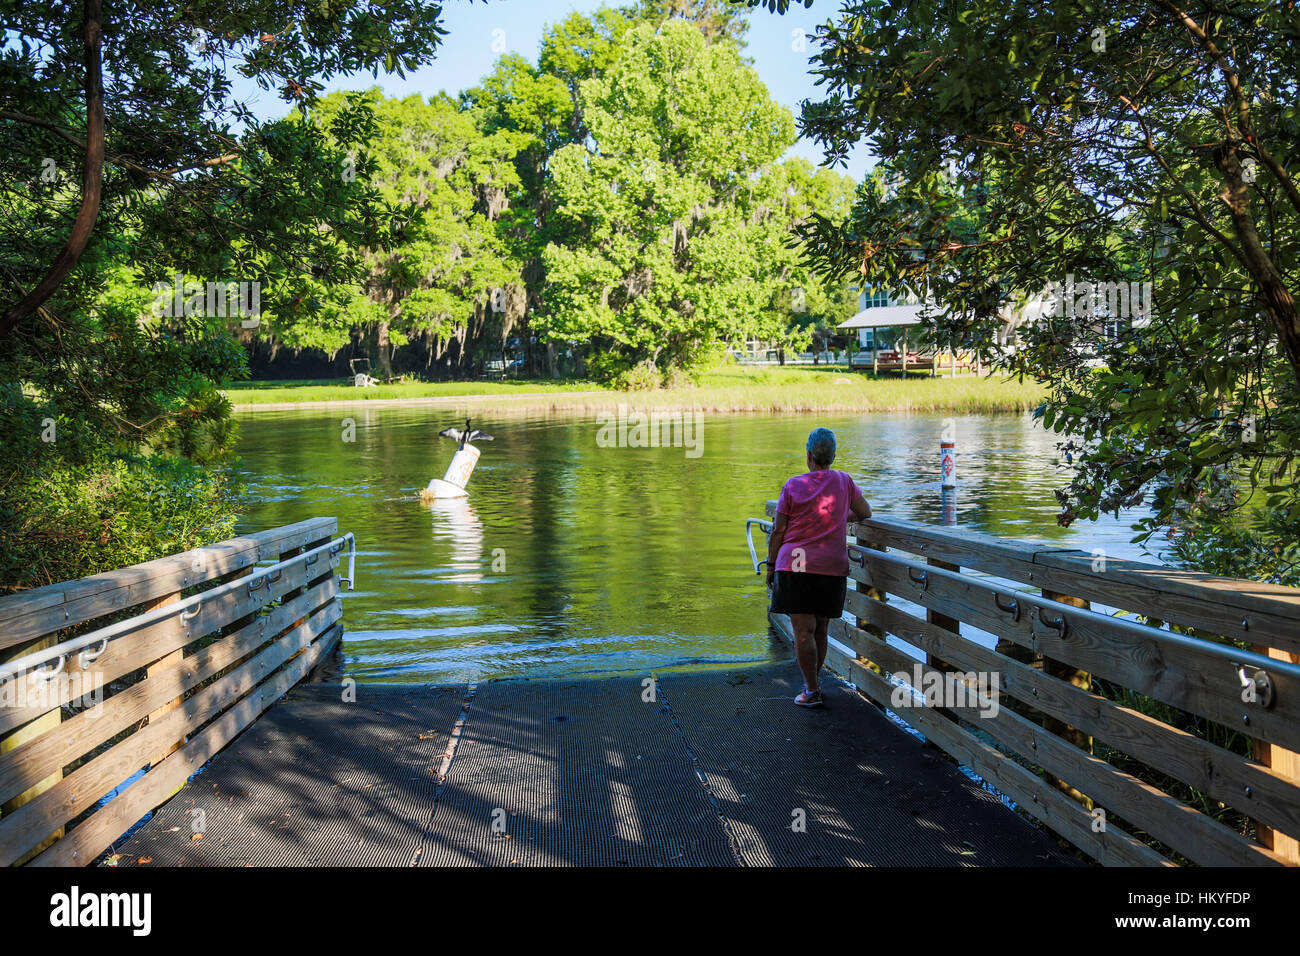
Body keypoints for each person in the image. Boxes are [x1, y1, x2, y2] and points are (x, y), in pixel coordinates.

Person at [766, 427, 871, 707]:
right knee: (821, 628)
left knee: (803, 631)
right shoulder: (844, 481)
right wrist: (838, 516)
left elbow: (778, 531)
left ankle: (811, 690)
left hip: (796, 563)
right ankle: (814, 685)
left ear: (809, 455)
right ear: (833, 456)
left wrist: (771, 567)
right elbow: (864, 513)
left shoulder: (792, 485)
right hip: (831, 564)